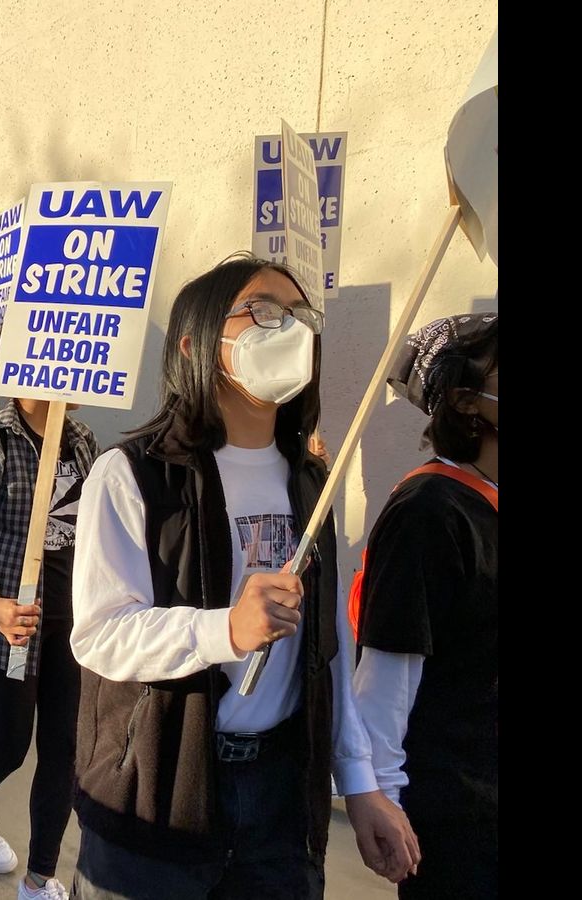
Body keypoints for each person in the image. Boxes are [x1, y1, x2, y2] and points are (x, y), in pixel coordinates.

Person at [67, 255, 415, 898]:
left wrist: (361, 781)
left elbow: (328, 641)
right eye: (264, 311)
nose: (291, 329)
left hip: (281, 801)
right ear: (196, 342)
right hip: (158, 795)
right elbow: (99, 634)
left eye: (301, 315)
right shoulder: (133, 473)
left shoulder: (310, 480)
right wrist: (224, 629)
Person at [355, 313, 497, 898]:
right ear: (465, 401)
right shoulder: (428, 511)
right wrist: (381, 795)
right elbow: (388, 674)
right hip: (461, 816)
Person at [0, 391, 97, 900]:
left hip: (69, 622)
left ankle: (39, 880)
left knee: (63, 749)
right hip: (6, 626)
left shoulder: (82, 440)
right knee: (9, 745)